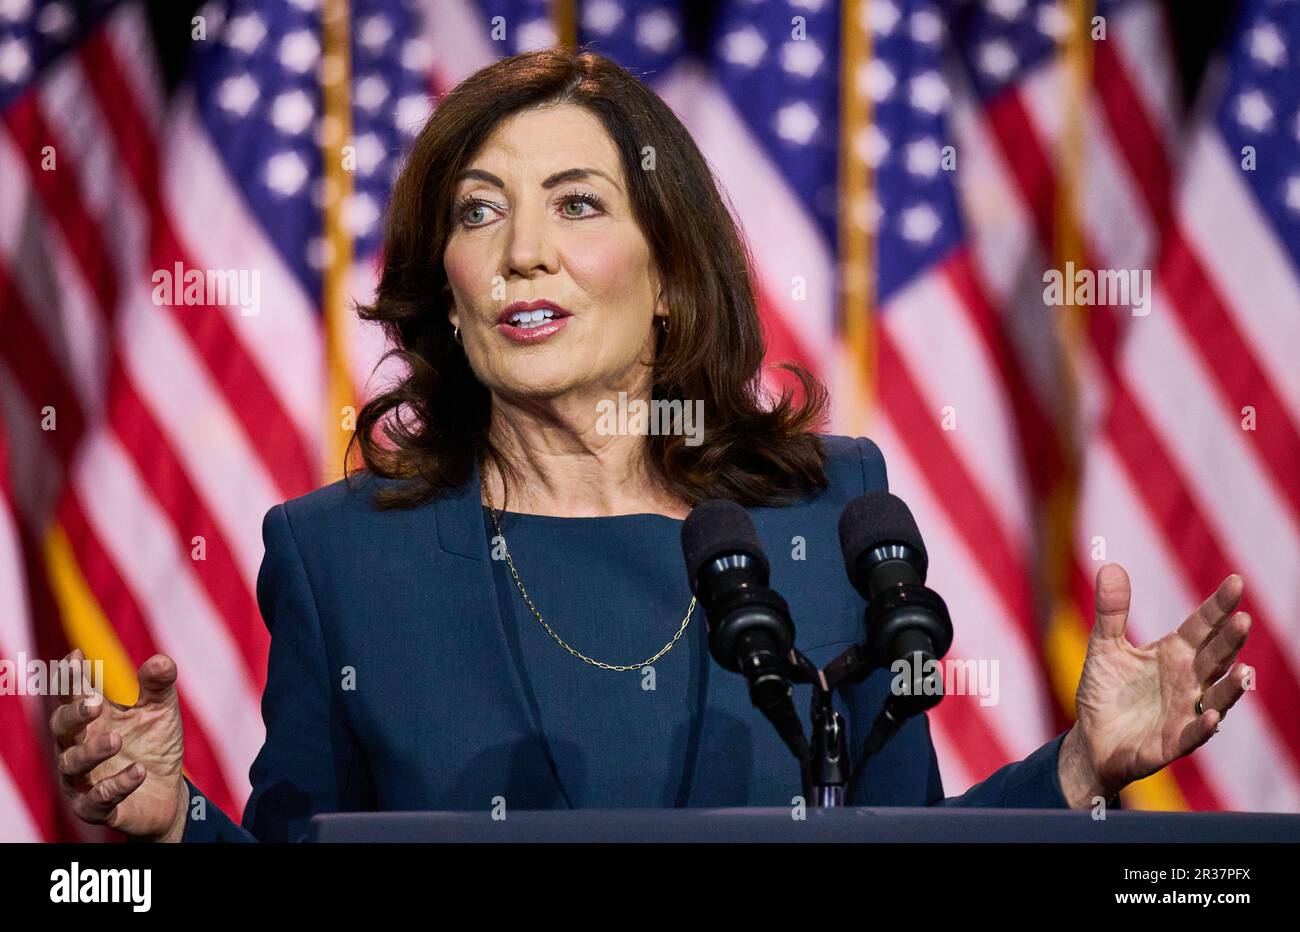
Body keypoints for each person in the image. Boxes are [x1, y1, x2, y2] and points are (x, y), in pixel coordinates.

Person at [49, 49, 1252, 843]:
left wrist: (1082, 769)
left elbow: (903, 837)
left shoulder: (833, 513)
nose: (522, 248)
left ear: (672, 274)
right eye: (478, 210)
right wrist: (173, 829)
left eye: (577, 203)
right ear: (448, 292)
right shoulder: (341, 556)